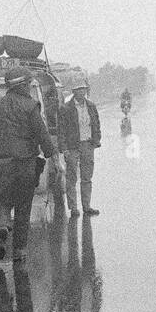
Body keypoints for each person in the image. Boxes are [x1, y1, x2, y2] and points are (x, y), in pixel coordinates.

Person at [0, 67, 61, 261]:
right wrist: (54, 158)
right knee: (23, 206)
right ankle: (19, 250)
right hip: (25, 164)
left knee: (1, 200)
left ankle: (2, 226)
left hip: (0, 163)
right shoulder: (31, 106)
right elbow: (42, 133)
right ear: (24, 85)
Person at [58, 74, 101, 216]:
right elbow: (61, 130)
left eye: (83, 89)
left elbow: (96, 124)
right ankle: (73, 207)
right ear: (73, 91)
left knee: (87, 178)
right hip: (72, 147)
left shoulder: (91, 106)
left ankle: (87, 206)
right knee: (71, 177)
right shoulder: (66, 108)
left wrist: (96, 140)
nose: (81, 92)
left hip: (88, 145)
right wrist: (64, 149)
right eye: (78, 89)